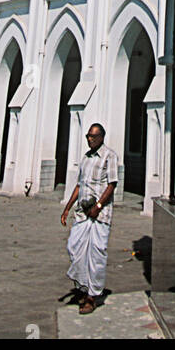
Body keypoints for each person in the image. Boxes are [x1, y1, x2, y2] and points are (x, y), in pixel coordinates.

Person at [60, 123, 118, 314]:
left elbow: (112, 184)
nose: (89, 139)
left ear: (102, 137)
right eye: (88, 136)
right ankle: (84, 286)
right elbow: (79, 185)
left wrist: (99, 206)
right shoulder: (85, 158)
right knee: (74, 247)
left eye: (93, 136)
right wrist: (67, 208)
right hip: (82, 213)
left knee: (96, 254)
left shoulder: (110, 156)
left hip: (100, 216)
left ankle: (92, 296)